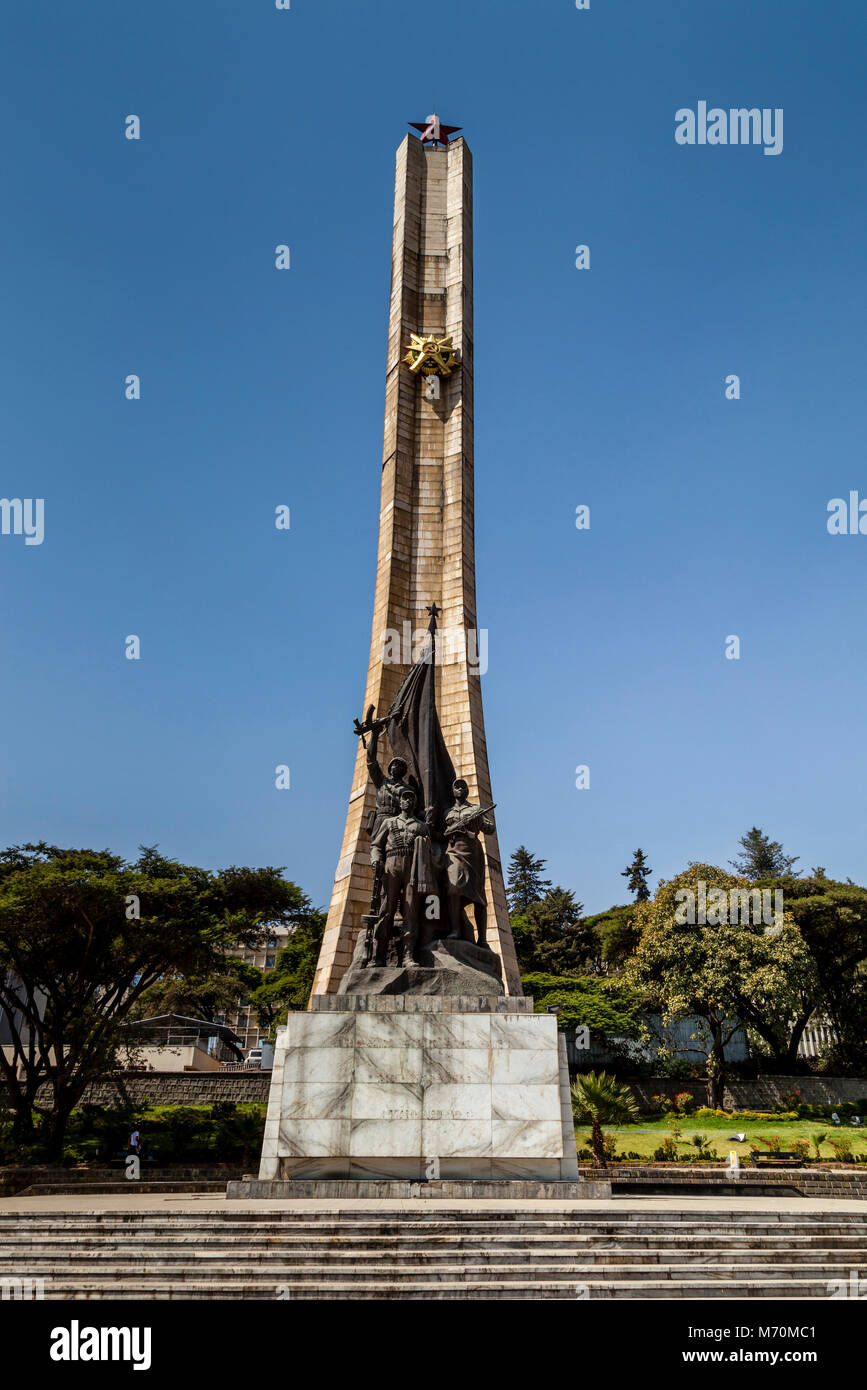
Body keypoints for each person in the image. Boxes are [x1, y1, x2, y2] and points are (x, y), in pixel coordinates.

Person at [370, 786, 436, 965]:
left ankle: (408, 955)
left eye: (410, 799)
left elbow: (428, 851)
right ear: (400, 802)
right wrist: (376, 860)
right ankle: (379, 954)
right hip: (391, 865)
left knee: (411, 910)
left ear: (414, 803)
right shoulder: (389, 823)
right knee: (386, 909)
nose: (407, 801)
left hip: (413, 868)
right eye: (404, 798)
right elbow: (376, 845)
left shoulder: (420, 826)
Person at [443, 779, 495, 946]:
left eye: (462, 787)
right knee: (453, 888)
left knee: (479, 895)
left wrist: (480, 821)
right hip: (453, 851)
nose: (459, 789)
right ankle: (455, 930)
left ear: (467, 791)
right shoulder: (447, 812)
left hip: (473, 852)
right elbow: (440, 832)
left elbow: (489, 829)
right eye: (456, 786)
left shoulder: (475, 809)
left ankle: (483, 939)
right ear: (453, 791)